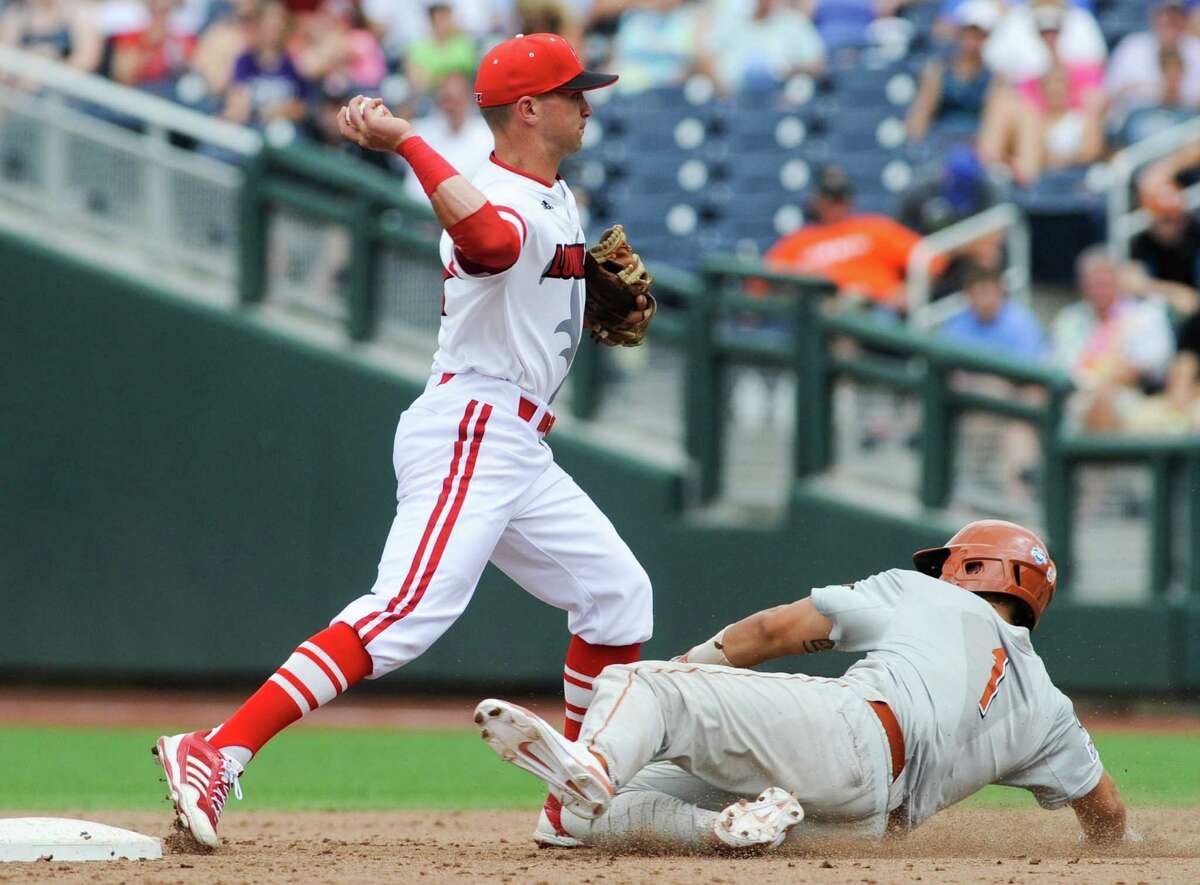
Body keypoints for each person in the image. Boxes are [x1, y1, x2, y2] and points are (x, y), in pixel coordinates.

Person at [154, 32, 655, 852]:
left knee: (618, 596)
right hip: (473, 427)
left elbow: (521, 262)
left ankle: (573, 800)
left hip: (520, 443)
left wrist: (574, 292)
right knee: (404, 615)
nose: (588, 102)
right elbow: (490, 242)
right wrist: (406, 141)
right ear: (529, 109)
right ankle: (215, 749)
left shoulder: (555, 197)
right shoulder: (496, 194)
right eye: (573, 93)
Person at [475, 520, 1132, 851]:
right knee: (579, 818)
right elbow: (1106, 814)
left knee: (642, 683)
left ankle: (594, 757)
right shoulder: (1051, 708)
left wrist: (685, 670)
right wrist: (1113, 848)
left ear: (971, 567)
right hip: (868, 828)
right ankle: (725, 827)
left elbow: (770, 630)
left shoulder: (924, 594)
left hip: (854, 736)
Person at [764, 165, 942, 313]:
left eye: (842, 196)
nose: (837, 203)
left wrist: (907, 292)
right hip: (824, 314)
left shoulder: (875, 227)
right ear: (815, 200)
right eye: (830, 197)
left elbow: (932, 259)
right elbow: (763, 282)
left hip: (878, 311)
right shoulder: (796, 242)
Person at [1051, 246, 1175, 432]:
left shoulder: (1144, 315)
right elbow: (1060, 366)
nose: (1099, 289)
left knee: (1105, 398)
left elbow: (1154, 362)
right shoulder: (1068, 319)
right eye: (1093, 282)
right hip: (1075, 396)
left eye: (1105, 281)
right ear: (1083, 285)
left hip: (1132, 395)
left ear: (1118, 281)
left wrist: (1113, 377)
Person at [906, 0, 997, 144]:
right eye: (969, 34)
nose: (972, 42)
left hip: (976, 143)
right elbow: (922, 112)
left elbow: (993, 120)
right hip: (941, 141)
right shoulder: (938, 71)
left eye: (979, 36)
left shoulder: (994, 76)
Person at [400, 72, 494, 204]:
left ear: (467, 99)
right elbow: (394, 139)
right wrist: (414, 93)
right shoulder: (424, 129)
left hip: (461, 216)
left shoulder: (487, 135)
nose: (451, 107)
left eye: (455, 99)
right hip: (415, 213)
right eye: (446, 99)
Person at [1105, 0, 1200, 124]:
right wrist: (1153, 90)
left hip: (1187, 117)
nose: (1169, 23)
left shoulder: (1195, 48)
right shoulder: (1132, 46)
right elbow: (1111, 93)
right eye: (1165, 19)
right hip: (1140, 116)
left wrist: (1177, 95)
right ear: (1154, 19)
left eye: (1174, 20)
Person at [940, 261, 1046, 360]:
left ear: (1001, 292)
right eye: (978, 294)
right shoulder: (958, 323)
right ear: (969, 295)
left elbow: (1030, 369)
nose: (984, 301)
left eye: (987, 293)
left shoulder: (1022, 322)